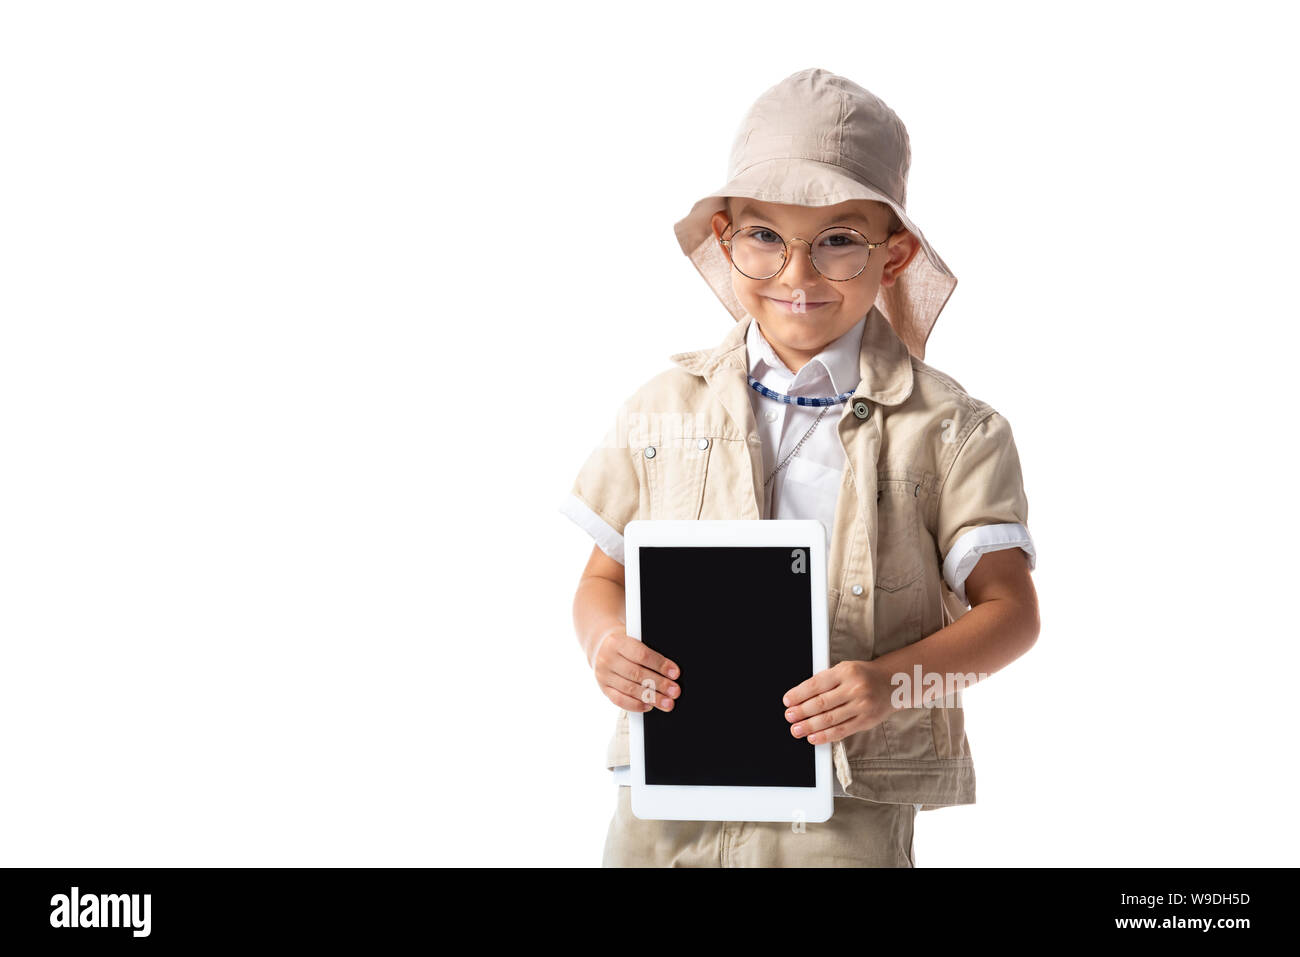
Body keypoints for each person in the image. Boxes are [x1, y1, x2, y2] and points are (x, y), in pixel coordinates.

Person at [559, 68, 1040, 867]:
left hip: (842, 805)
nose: (797, 275)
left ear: (894, 255)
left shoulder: (953, 430)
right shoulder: (663, 407)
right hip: (666, 796)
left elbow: (1012, 616)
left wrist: (891, 683)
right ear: (726, 239)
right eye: (766, 236)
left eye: (839, 240)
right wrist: (604, 643)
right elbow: (599, 582)